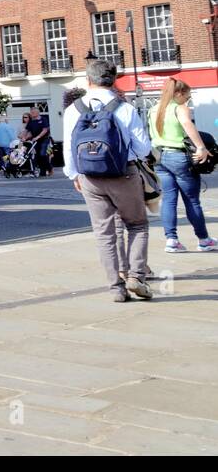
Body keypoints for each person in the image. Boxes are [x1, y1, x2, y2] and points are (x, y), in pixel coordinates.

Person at [63, 59, 155, 302]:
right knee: (136, 225)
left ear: (88, 80)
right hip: (123, 174)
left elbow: (68, 146)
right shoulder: (124, 108)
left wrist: (74, 174)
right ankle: (136, 276)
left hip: (90, 178)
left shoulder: (74, 109)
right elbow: (143, 147)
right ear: (113, 80)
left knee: (104, 234)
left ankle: (116, 288)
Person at [150, 77, 216, 252]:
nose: (188, 98)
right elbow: (188, 125)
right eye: (187, 95)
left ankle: (171, 240)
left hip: (159, 157)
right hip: (179, 157)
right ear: (178, 93)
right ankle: (204, 240)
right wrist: (201, 147)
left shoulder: (153, 109)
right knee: (192, 201)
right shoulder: (180, 108)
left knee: (169, 200)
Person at [26, 111, 52, 176]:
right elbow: (28, 131)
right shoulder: (31, 121)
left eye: (33, 112)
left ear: (37, 113)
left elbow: (45, 130)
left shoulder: (43, 119)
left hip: (44, 139)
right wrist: (24, 137)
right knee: (38, 156)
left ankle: (49, 168)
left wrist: (38, 137)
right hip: (36, 141)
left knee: (42, 154)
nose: (31, 114)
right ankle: (42, 172)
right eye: (31, 112)